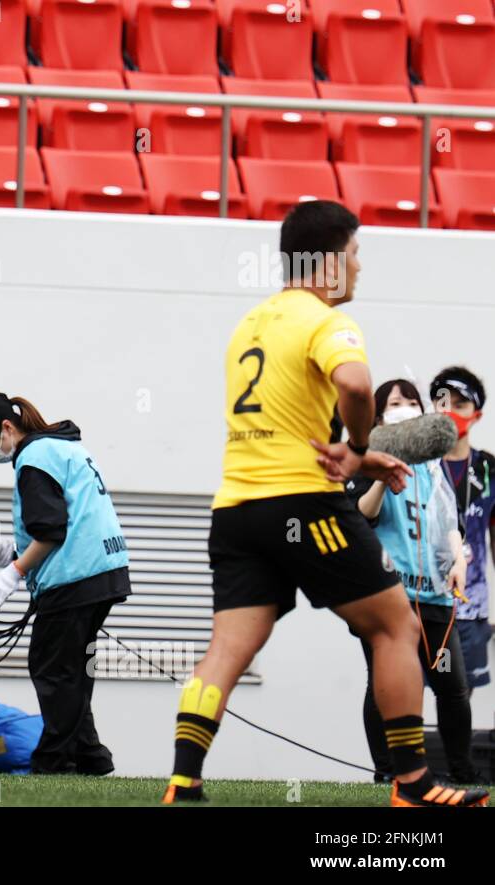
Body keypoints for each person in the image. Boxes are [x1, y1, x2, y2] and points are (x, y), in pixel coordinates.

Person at [161, 200, 488, 807]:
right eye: (357, 253)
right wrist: (361, 442)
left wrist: (360, 461)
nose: (360, 267)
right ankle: (413, 784)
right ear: (331, 259)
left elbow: (288, 434)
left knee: (227, 648)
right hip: (302, 507)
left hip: (236, 511)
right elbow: (358, 384)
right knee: (396, 626)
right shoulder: (325, 322)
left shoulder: (250, 326)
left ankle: (184, 781)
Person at [0, 392, 130, 775]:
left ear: (6, 428)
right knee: (72, 667)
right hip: (104, 569)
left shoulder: (33, 458)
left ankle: (53, 760)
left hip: (76, 574)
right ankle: (90, 755)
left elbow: (52, 531)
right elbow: (58, 518)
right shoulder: (61, 447)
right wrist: (14, 549)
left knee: (51, 668)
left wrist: (14, 573)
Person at [348, 379, 481, 783]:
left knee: (452, 687)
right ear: (379, 415)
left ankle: (462, 772)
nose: (404, 407)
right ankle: (386, 772)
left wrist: (458, 560)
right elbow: (360, 513)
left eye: (411, 401)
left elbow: (451, 524)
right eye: (394, 402)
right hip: (388, 596)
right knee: (384, 684)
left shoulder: (435, 466)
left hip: (436, 596)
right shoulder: (367, 457)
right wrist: (382, 475)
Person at [430, 366, 494, 692]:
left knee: (460, 701)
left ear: (477, 413)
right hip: (421, 605)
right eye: (444, 402)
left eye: (460, 404)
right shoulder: (418, 466)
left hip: (470, 609)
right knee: (404, 691)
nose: (450, 411)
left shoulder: (489, 469)